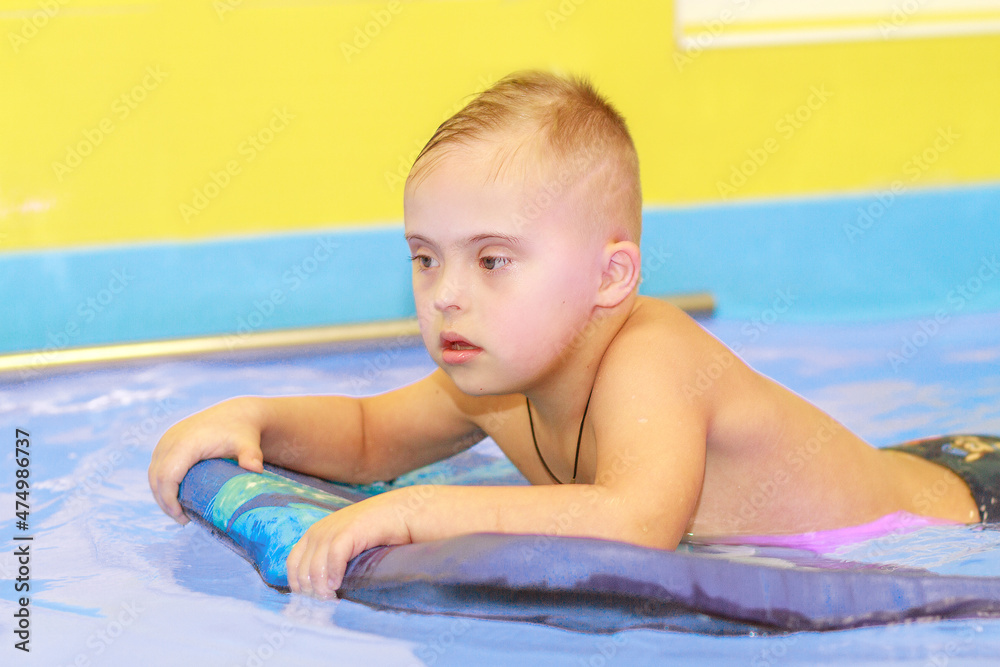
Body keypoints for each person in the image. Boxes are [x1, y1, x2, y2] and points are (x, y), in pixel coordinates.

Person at [149, 70, 983, 600]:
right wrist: (253, 417)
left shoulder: (651, 355)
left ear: (610, 277)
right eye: (426, 259)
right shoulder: (495, 382)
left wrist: (421, 512)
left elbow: (637, 523)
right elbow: (369, 439)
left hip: (961, 511)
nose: (447, 296)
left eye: (494, 259)